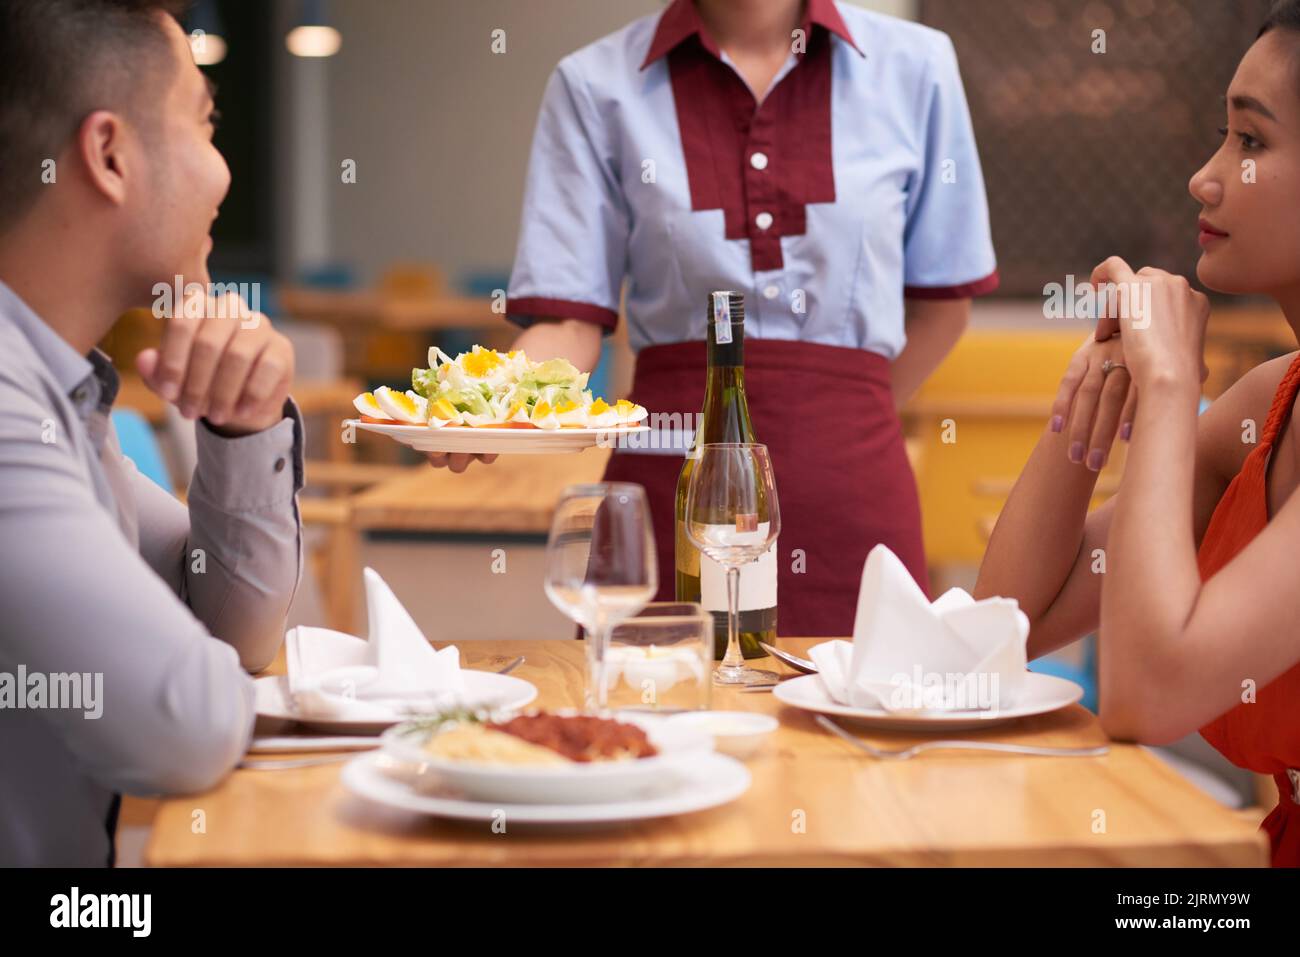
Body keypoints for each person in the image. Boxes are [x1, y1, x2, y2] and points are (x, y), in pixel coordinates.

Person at [433, 0, 999, 637]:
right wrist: (489, 399)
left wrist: (843, 414)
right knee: (644, 720)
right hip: (669, 475)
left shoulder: (916, 66)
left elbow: (943, 307)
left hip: (853, 490)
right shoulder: (595, 84)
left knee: (864, 713)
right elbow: (569, 324)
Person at [975, 0, 1300, 867]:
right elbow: (1005, 620)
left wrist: (1167, 389)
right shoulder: (1273, 401)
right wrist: (1104, 376)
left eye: (1252, 142)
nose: (1206, 175)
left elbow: (1146, 698)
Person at [0, 0, 303, 866]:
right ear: (108, 154)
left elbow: (230, 627)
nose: (223, 172)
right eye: (205, 124)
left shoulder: (59, 382)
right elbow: (186, 722)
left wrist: (243, 427)